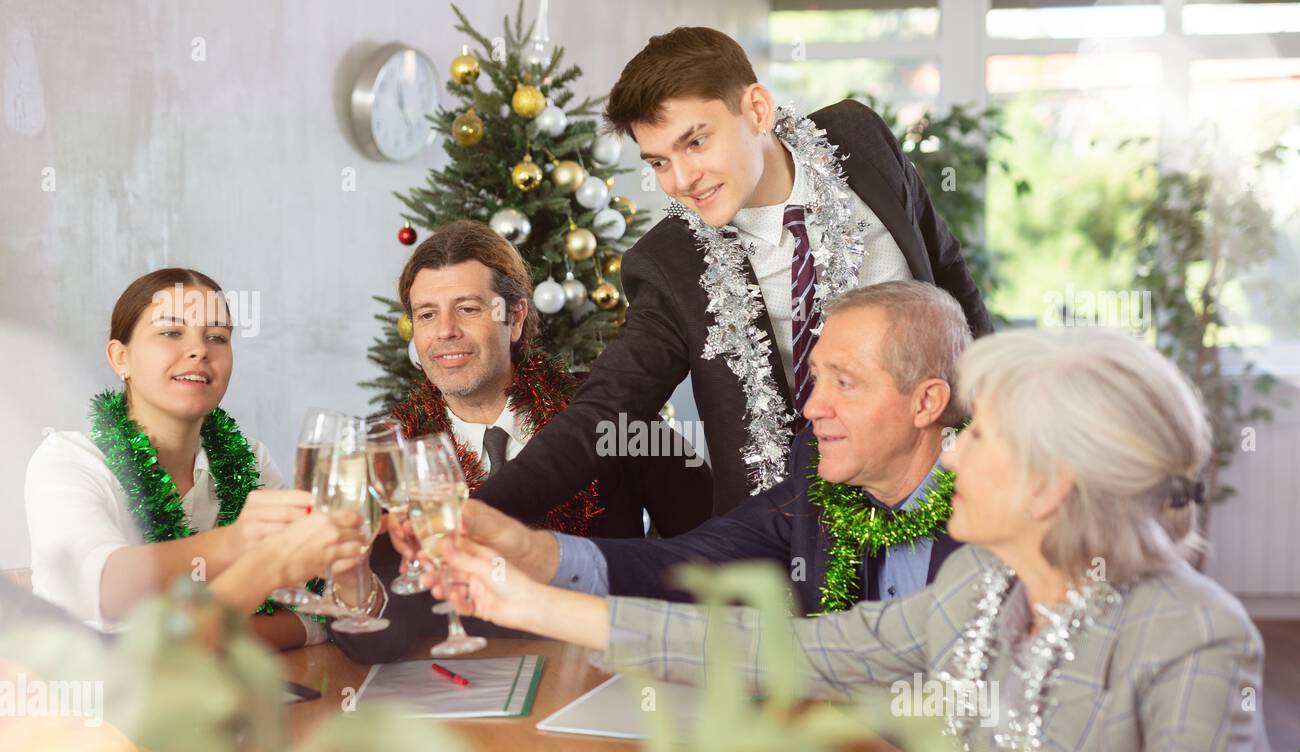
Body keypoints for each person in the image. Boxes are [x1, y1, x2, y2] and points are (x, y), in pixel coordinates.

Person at [434, 327, 1300, 752]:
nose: (953, 459)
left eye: (982, 439)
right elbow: (792, 650)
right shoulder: (987, 581)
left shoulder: (1192, 635)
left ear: (1050, 487)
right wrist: (525, 598)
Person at [474, 26, 992, 527]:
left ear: (757, 110)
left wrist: (1001, 424)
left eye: (696, 142)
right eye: (658, 161)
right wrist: (477, 512)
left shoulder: (860, 139)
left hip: (949, 488)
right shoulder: (671, 262)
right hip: (796, 534)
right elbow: (605, 408)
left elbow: (947, 272)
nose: (680, 180)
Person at [443, 280, 970, 616]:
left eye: (846, 384)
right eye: (816, 380)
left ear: (926, 403)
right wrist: (535, 552)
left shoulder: (1014, 514)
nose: (811, 409)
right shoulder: (818, 474)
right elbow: (691, 560)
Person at [333, 220, 712, 662]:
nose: (445, 332)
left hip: (609, 673)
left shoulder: (604, 417)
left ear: (514, 318)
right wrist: (348, 579)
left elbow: (710, 547)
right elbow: (376, 636)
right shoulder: (390, 456)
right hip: (465, 692)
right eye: (427, 314)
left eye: (469, 309)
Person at [24, 268, 365, 648]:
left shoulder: (249, 458)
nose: (200, 349)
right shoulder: (68, 459)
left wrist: (207, 636)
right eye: (171, 332)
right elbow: (100, 587)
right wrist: (237, 544)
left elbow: (315, 605)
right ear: (121, 358)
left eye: (217, 337)